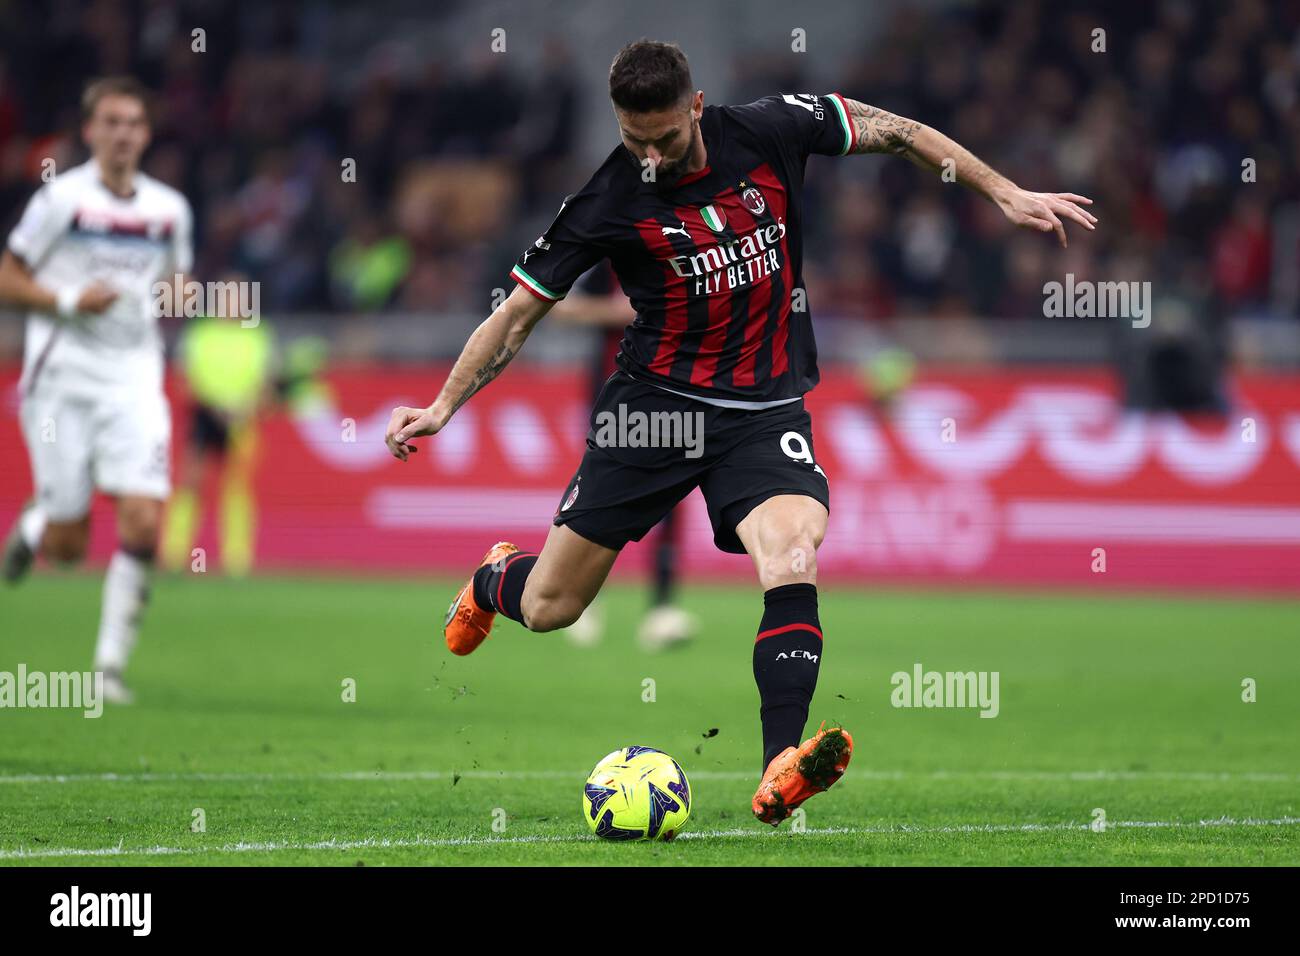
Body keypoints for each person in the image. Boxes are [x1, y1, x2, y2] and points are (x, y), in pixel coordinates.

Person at [384, 40, 1095, 825]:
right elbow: (518, 313)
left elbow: (894, 129)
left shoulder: (767, 130)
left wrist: (999, 190)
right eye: (633, 138)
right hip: (652, 408)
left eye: (664, 136)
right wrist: (444, 406)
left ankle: (779, 766)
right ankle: (494, 579)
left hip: (764, 409)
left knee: (792, 553)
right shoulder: (609, 198)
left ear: (696, 106)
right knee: (553, 607)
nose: (650, 155)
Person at [0, 76, 194, 705]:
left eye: (134, 123)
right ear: (89, 131)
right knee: (69, 546)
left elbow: (175, 284)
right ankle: (38, 527)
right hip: (61, 377)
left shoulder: (169, 210)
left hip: (135, 375)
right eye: (111, 122)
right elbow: (8, 275)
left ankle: (108, 668)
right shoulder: (62, 200)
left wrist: (182, 296)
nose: (123, 134)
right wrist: (65, 300)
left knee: (143, 520)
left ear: (146, 132)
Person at [548, 261, 697, 651]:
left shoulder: (683, 255)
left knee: (671, 494)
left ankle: (662, 609)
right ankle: (582, 599)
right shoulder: (609, 258)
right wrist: (621, 310)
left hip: (675, 391)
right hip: (615, 392)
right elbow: (561, 306)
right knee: (602, 488)